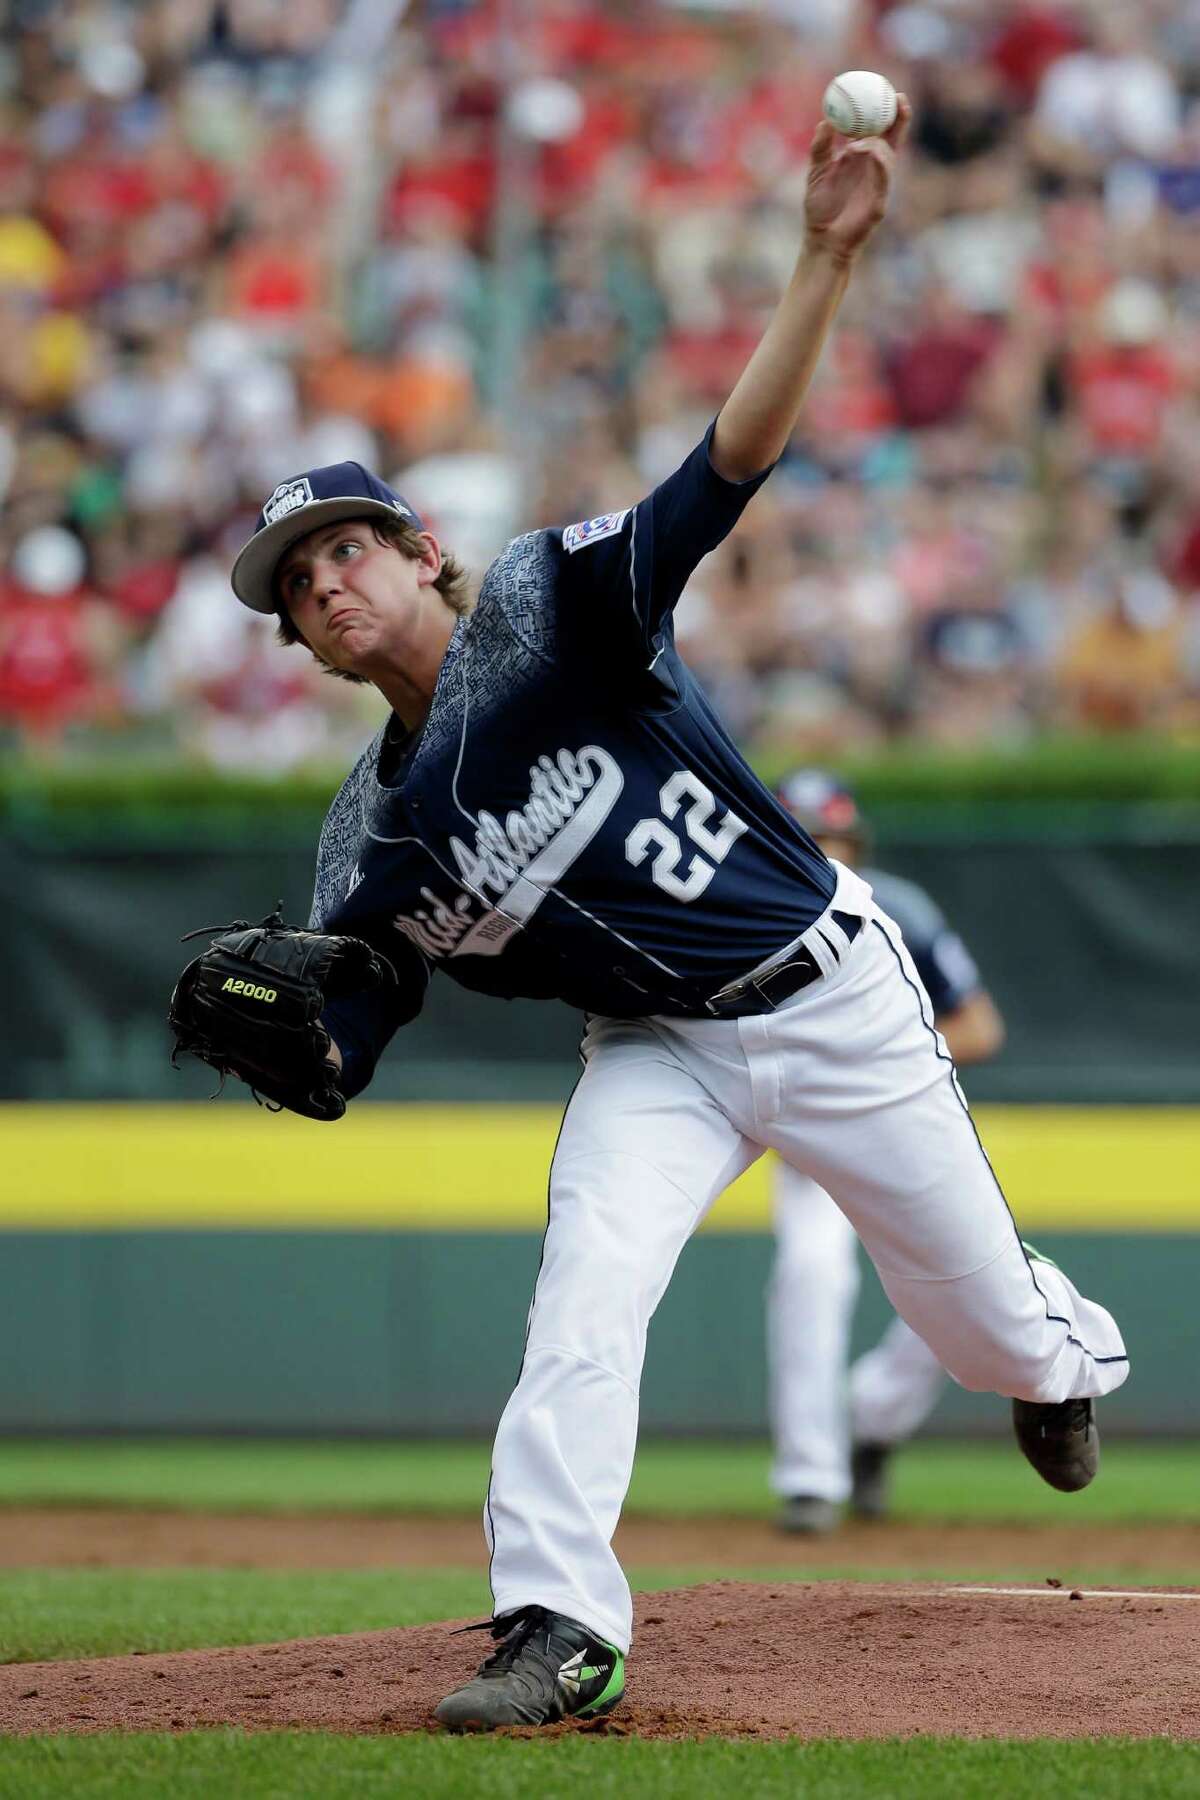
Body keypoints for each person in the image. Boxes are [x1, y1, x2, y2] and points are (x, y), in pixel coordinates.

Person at [225, 99, 1127, 1733]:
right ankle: (560, 1625)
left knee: (990, 1334)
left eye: (346, 548)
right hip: (658, 1056)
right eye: (298, 583)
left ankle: (1064, 1357)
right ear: (301, 641)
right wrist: (302, 1047)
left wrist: (820, 266)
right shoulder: (366, 838)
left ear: (419, 555)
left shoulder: (541, 609)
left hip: (831, 994)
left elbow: (724, 471)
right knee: (585, 1287)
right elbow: (346, 1030)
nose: (327, 585)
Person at [767, 769, 1006, 1533]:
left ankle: (872, 1425)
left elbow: (979, 1026)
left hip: (900, 1127)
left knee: (962, 1285)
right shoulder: (744, 916)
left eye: (833, 835)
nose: (823, 849)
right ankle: (810, 1478)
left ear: (855, 842)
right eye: (807, 836)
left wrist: (881, 1060)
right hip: (808, 1138)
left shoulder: (897, 907)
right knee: (810, 1276)